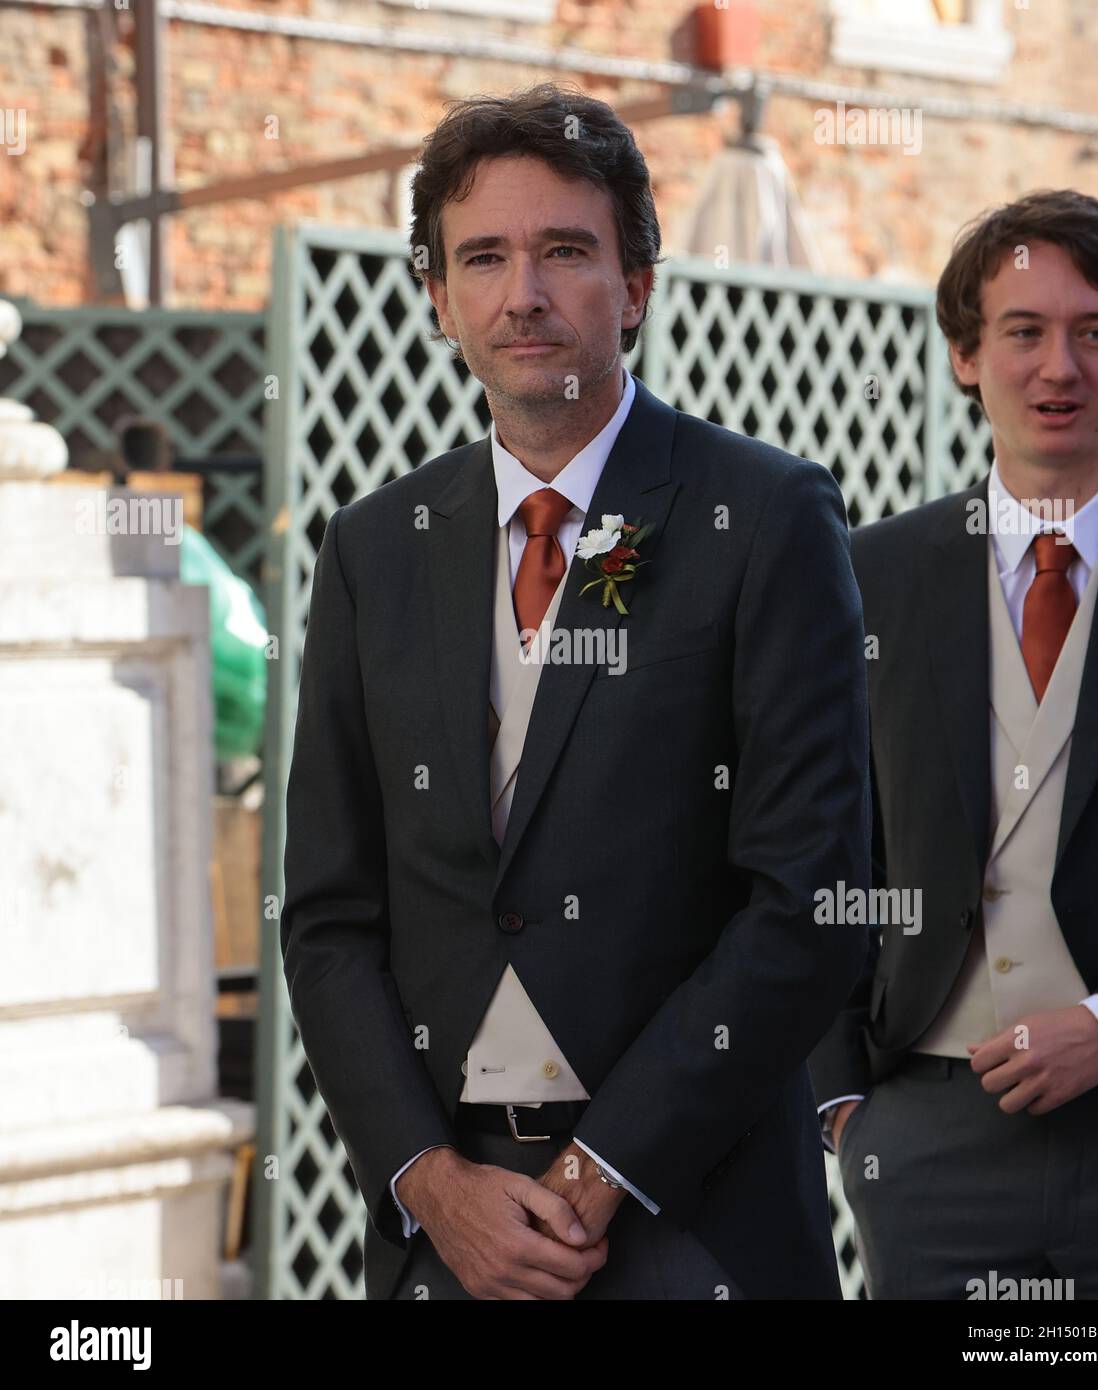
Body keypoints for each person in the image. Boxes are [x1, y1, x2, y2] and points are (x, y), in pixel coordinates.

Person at [281, 81, 870, 1301]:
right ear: (438, 298)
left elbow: (808, 898)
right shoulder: (372, 546)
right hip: (450, 1233)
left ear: (637, 284)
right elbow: (331, 920)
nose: (524, 294)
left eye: (565, 251)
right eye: (483, 257)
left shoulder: (764, 518)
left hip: (688, 1212)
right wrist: (428, 1183)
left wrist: (602, 1169)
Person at [811, 189, 1098, 1299]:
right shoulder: (872, 575)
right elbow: (808, 850)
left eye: (1094, 331)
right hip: (925, 1145)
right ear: (964, 355)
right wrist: (846, 1104)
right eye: (1022, 331)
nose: (1060, 366)